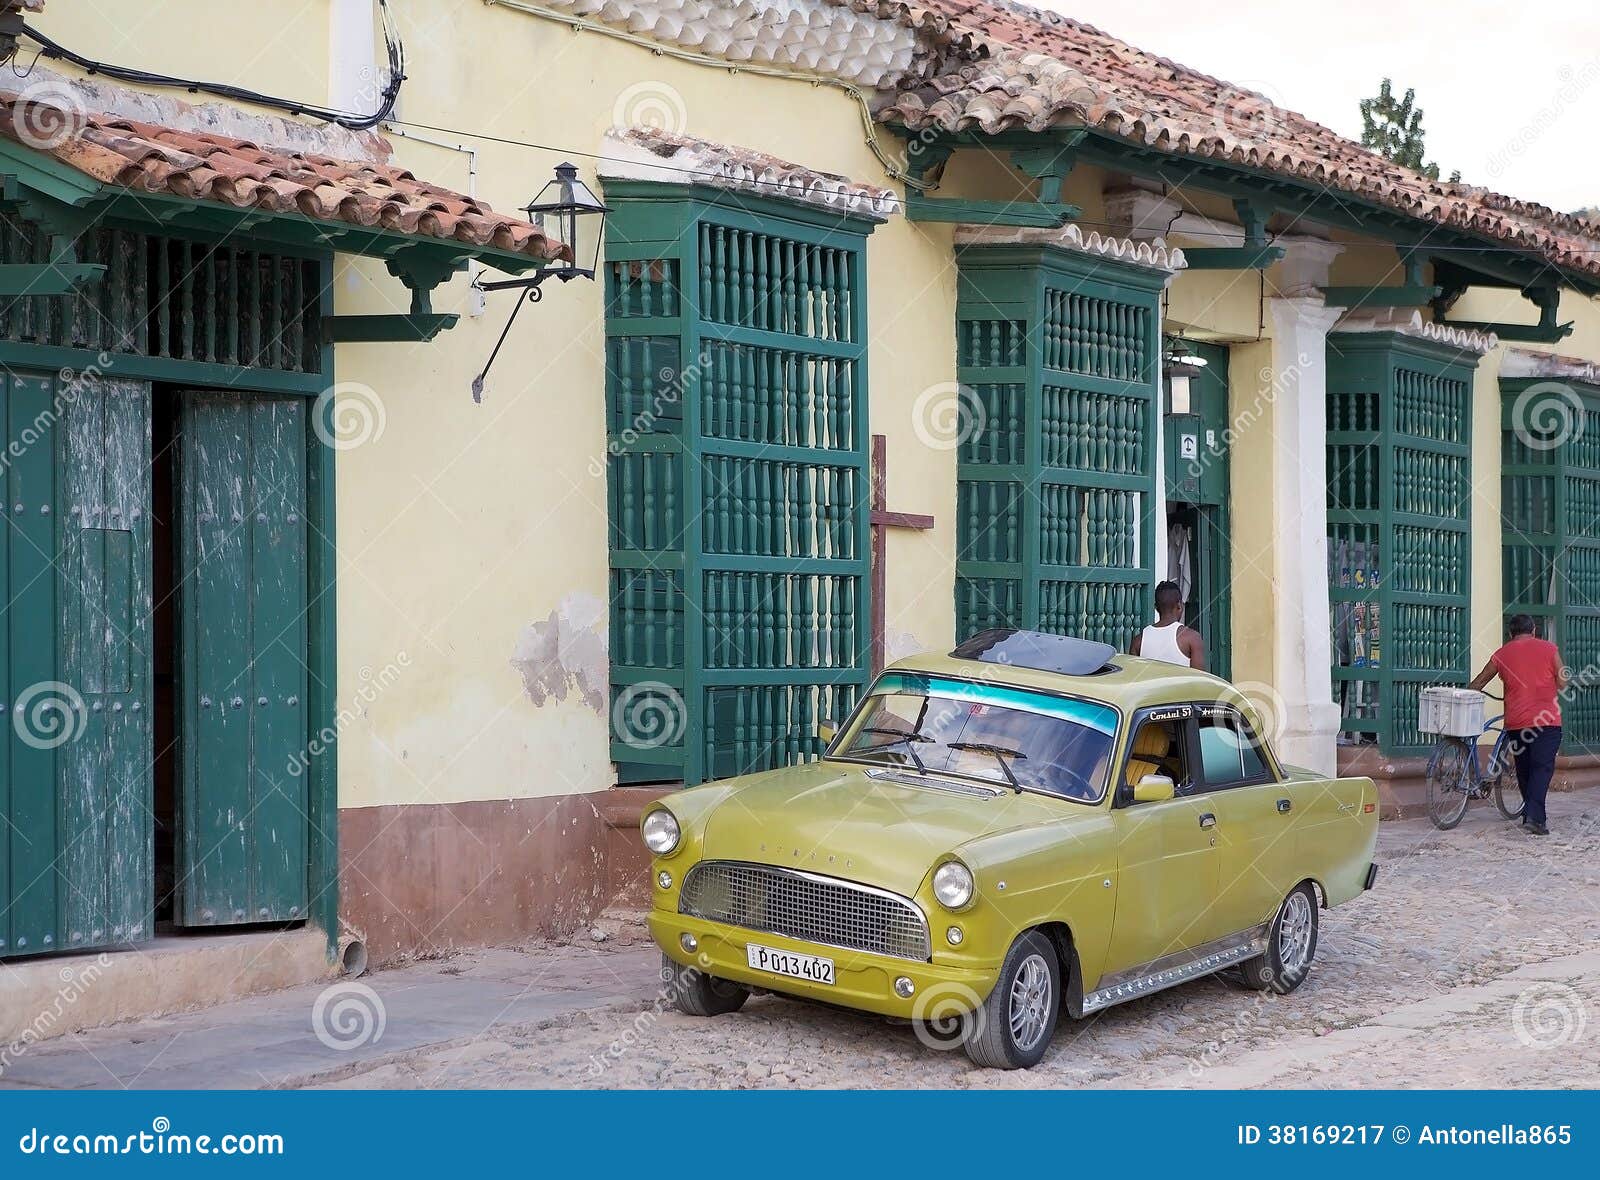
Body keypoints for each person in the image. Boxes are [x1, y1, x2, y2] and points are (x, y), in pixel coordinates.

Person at [1468, 614, 1566, 836]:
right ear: (1533, 631)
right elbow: (1563, 681)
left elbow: (1481, 680)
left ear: (1511, 634)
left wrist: (1464, 693)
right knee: (1541, 768)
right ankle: (1535, 819)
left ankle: (1530, 815)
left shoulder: (1502, 654)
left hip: (1516, 722)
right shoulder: (1549, 649)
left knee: (1524, 768)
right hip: (1546, 721)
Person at [1131, 580, 1205, 670]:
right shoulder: (1192, 638)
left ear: (1156, 607)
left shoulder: (1138, 641)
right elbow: (1199, 677)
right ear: (1179, 605)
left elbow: (1133, 674)